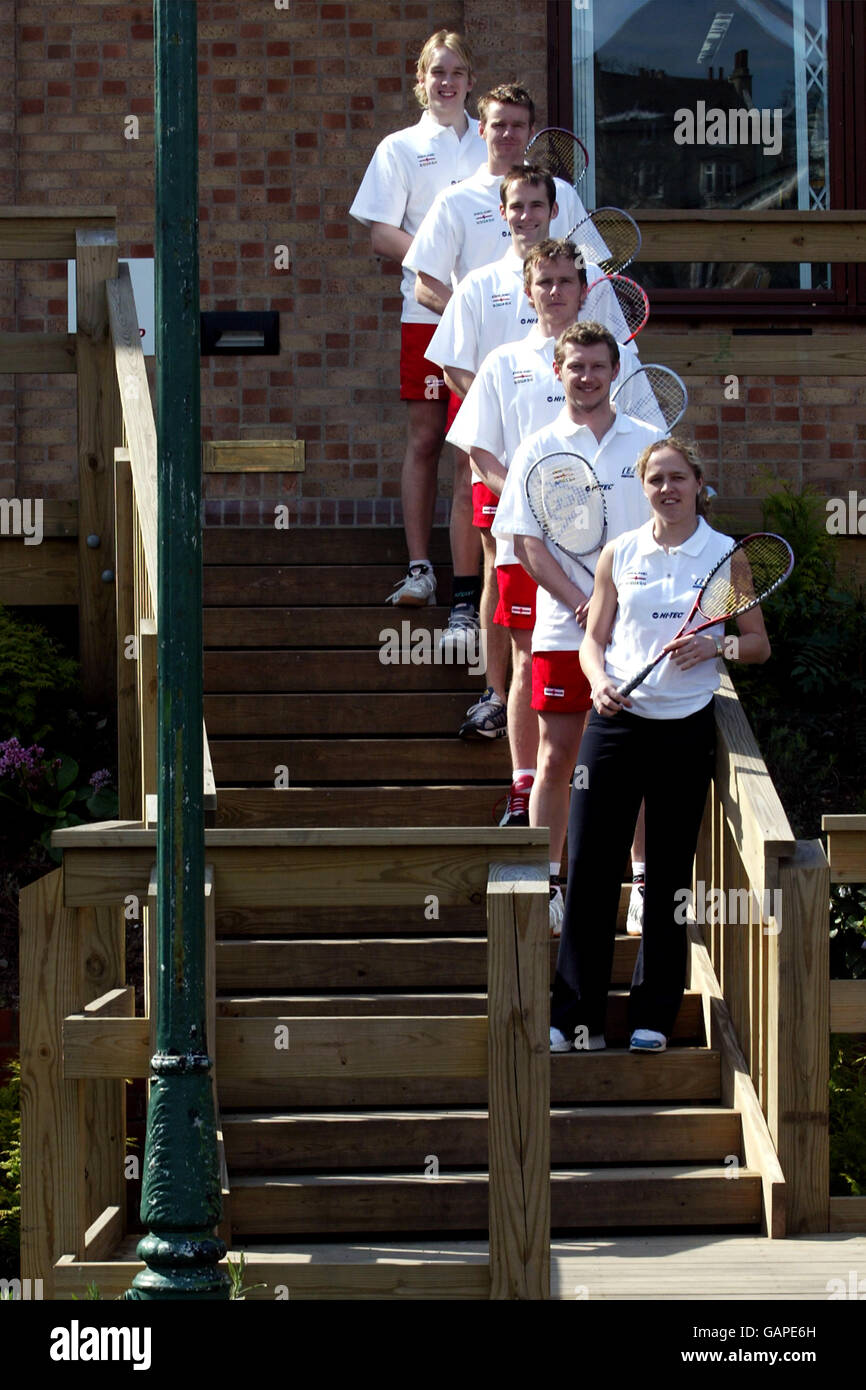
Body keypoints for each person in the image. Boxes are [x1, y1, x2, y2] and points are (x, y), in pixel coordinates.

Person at [549, 437, 771, 1054]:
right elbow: (591, 641)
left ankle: (653, 1017)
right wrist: (598, 684)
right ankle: (573, 1019)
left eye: (677, 478)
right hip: (616, 725)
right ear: (642, 488)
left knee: (670, 878)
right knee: (590, 871)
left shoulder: (726, 556)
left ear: (699, 483)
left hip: (686, 728)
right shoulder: (619, 552)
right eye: (655, 480)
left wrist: (717, 646)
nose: (666, 489)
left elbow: (757, 643)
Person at [401, 83, 588, 635]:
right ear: (480, 129)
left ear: (531, 132)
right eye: (498, 124)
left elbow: (593, 275)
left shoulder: (561, 196)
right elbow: (424, 282)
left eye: (518, 125)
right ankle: (465, 601)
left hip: (558, 373)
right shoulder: (457, 199)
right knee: (472, 475)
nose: (507, 134)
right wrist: (470, 320)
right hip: (481, 365)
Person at [492, 322, 659, 922]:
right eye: (574, 366)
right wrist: (585, 604)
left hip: (636, 632)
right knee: (558, 755)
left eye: (596, 366)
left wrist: (622, 604)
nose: (586, 376)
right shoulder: (537, 447)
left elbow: (665, 533)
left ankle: (642, 885)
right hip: (564, 628)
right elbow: (528, 546)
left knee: (635, 759)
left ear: (615, 372)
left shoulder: (647, 442)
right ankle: (546, 885)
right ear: (558, 373)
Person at [349, 30, 484, 608]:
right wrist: (438, 276)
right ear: (421, 80)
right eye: (437, 72)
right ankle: (421, 569)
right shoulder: (399, 147)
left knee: (470, 450)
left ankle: (468, 587)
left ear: (470, 81)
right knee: (426, 438)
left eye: (456, 72)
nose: (447, 82)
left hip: (488, 321)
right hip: (425, 316)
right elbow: (380, 232)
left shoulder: (494, 144)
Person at [447, 240, 587, 769]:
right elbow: (480, 455)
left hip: (598, 550)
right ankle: (524, 784)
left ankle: (586, 782)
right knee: (529, 658)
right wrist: (534, 508)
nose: (554, 291)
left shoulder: (608, 359)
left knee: (596, 658)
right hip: (524, 544)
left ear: (583, 289)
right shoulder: (504, 363)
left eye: (565, 281)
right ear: (528, 293)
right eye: (544, 282)